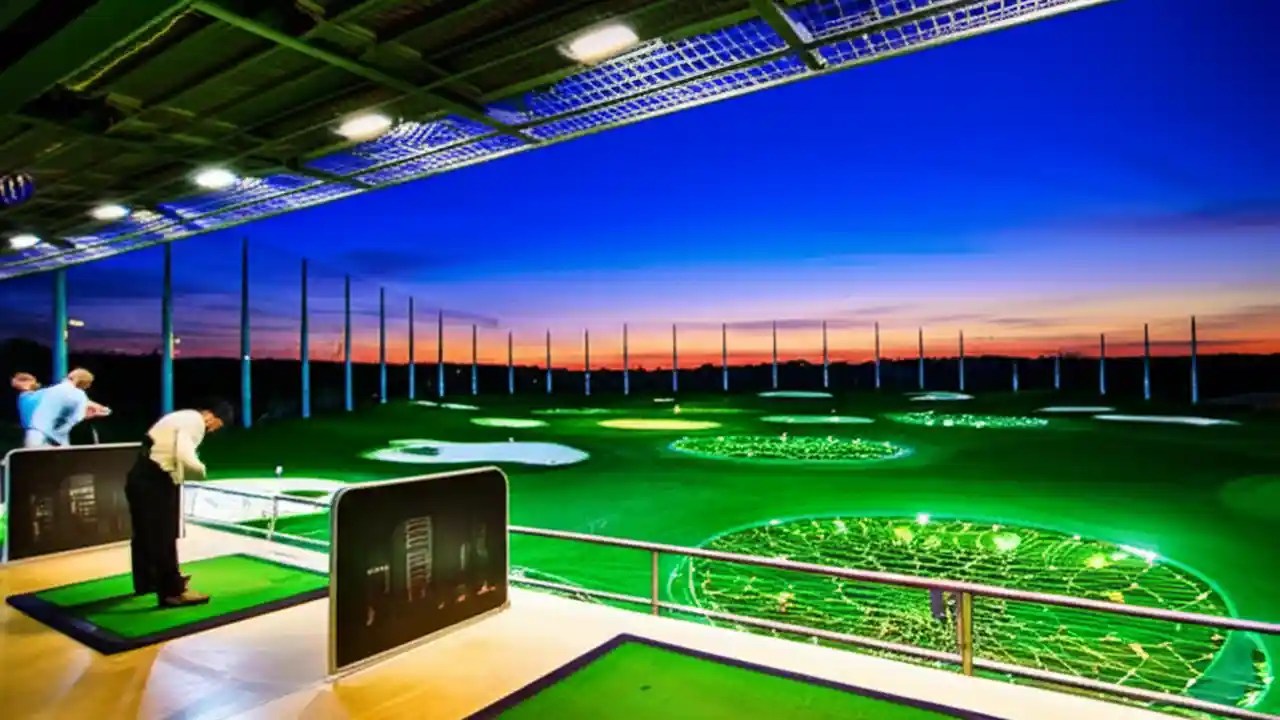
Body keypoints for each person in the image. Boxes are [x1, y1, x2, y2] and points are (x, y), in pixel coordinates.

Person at [126, 398, 232, 608]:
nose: (212, 430)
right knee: (164, 535)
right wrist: (201, 473)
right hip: (156, 479)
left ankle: (148, 581)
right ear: (211, 417)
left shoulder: (181, 416)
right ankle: (172, 592)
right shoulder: (195, 423)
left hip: (140, 475)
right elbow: (185, 455)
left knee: (145, 534)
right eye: (218, 425)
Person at [24, 368, 99, 448]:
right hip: (53, 440)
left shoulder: (47, 391)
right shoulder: (79, 394)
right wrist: (92, 414)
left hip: (33, 435)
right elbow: (78, 418)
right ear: (84, 382)